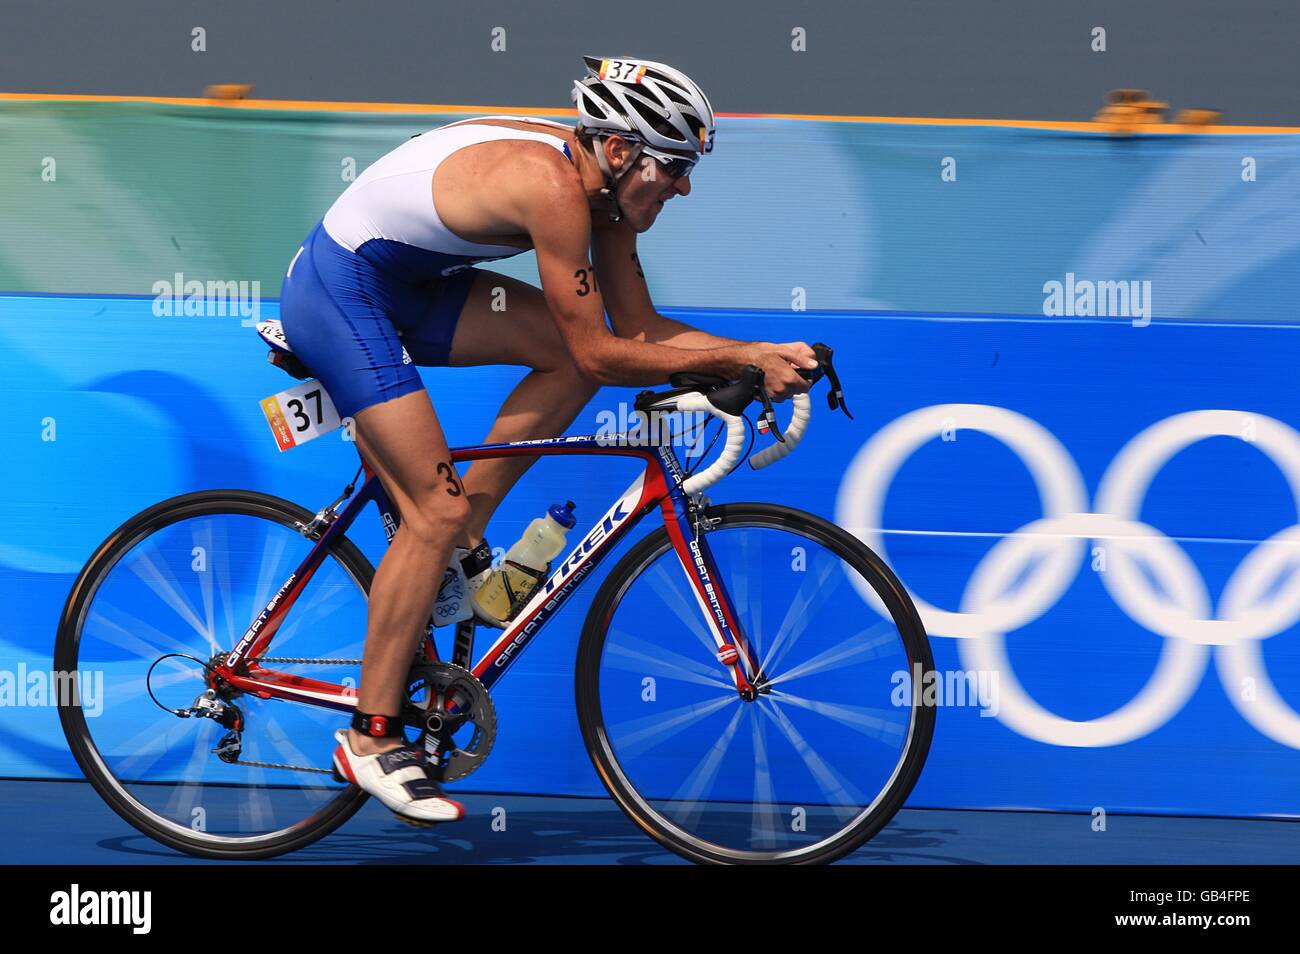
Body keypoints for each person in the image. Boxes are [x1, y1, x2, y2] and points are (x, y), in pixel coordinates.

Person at [277, 55, 816, 825]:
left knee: (554, 370)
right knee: (432, 509)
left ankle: (464, 530)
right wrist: (738, 361)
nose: (683, 187)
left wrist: (760, 356)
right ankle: (370, 738)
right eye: (675, 167)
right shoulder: (555, 188)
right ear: (622, 150)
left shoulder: (607, 196)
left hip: (414, 285)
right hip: (343, 291)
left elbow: (637, 333)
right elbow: (606, 356)